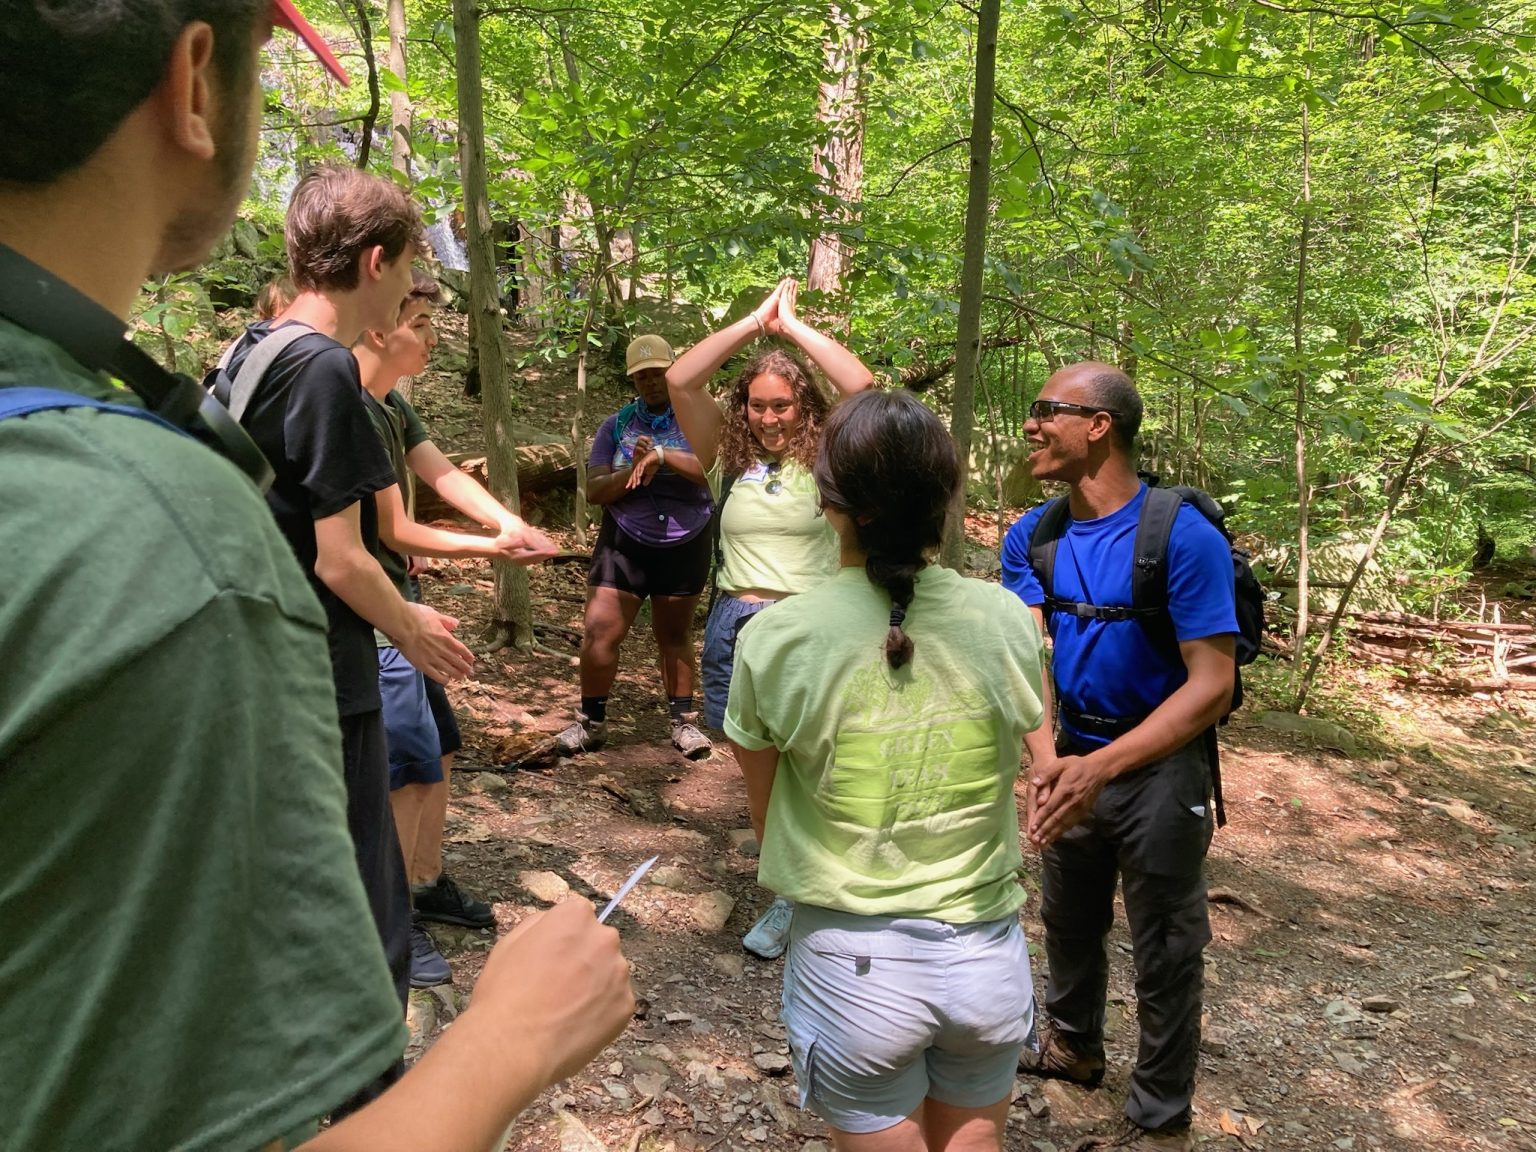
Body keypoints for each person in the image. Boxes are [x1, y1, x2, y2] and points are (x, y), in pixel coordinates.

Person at [0, 7, 633, 1150]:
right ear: (194, 82)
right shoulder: (154, 526)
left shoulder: (225, 364)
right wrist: (509, 1044)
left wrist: (492, 541)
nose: (417, 306)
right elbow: (341, 551)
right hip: (320, 673)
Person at [724, 390, 1047, 1152]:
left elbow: (766, 813)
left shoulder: (776, 638)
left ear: (829, 502)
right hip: (986, 960)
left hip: (855, 968)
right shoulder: (1006, 620)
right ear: (942, 499)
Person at [999, 362, 1238, 1152]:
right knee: (1067, 915)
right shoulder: (1031, 535)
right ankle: (1072, 1047)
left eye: (1046, 411)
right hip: (1068, 752)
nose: (1031, 425)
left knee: (1168, 942)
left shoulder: (1182, 533)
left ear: (1099, 425)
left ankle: (1160, 1117)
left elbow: (1210, 684)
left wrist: (1098, 768)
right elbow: (1023, 655)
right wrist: (1046, 762)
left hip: (1161, 768)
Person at [354, 270, 558, 986]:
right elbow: (395, 525)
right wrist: (491, 547)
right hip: (374, 619)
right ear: (381, 327)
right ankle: (391, 917)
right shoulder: (347, 405)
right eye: (420, 322)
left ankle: (423, 880)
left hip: (403, 602)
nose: (433, 336)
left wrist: (509, 521)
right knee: (404, 768)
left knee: (437, 748)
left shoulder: (391, 407)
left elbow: (441, 475)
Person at [668, 276, 873, 959]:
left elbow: (863, 390)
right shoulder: (728, 462)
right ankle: (788, 896)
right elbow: (680, 377)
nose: (768, 418)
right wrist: (752, 325)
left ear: (803, 406)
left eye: (782, 405)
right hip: (737, 627)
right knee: (757, 779)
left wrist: (792, 330)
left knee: (817, 772)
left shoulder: (828, 458)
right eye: (757, 406)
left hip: (812, 630)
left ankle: (830, 891)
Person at [556, 334, 715, 760]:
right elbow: (594, 489)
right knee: (599, 631)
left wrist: (663, 456)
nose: (650, 382)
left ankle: (683, 724)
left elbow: (711, 471)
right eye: (641, 376)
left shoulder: (697, 418)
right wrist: (632, 468)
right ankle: (591, 722)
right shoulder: (617, 425)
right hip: (625, 540)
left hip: (686, 538)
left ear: (673, 372)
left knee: (674, 634)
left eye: (658, 373)